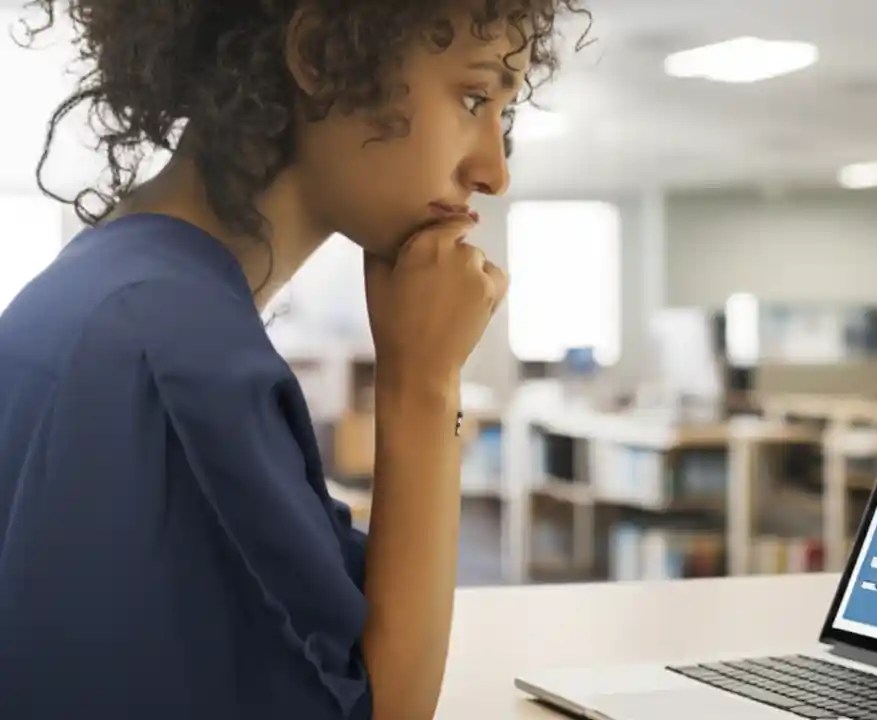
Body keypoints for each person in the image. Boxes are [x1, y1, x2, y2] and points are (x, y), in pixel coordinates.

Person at [0, 1, 585, 718]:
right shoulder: (178, 354)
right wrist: (423, 382)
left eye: (504, 115)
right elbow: (387, 707)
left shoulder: (102, 289)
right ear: (320, 56)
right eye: (472, 97)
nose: (494, 170)